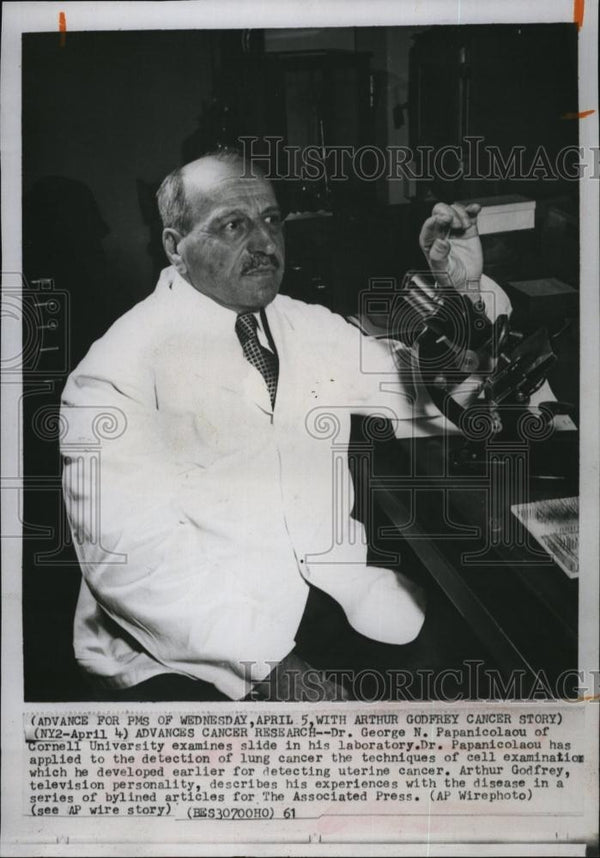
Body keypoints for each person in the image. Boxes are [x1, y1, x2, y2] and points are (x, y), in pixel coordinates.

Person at [60, 150, 501, 702]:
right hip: (186, 645)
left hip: (325, 596)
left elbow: (434, 403)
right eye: (233, 225)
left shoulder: (306, 326)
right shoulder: (113, 371)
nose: (265, 242)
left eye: (272, 220)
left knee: (480, 671)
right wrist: (299, 685)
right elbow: (135, 566)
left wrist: (460, 293)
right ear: (175, 246)